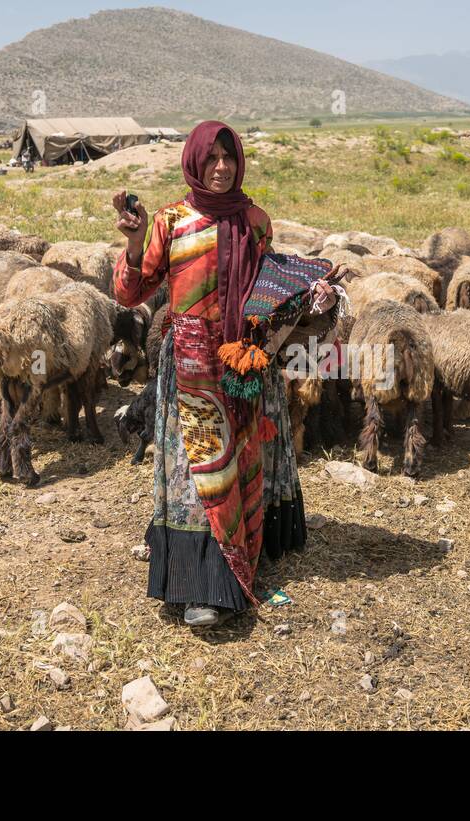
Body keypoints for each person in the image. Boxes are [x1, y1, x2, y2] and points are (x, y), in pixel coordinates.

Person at [112, 121, 317, 628]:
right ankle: (198, 582)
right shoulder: (170, 221)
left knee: (240, 460)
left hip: (241, 365)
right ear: (195, 162)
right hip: (188, 368)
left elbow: (271, 290)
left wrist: (315, 293)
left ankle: (232, 567)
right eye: (212, 159)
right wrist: (136, 243)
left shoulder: (255, 221)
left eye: (229, 158)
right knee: (195, 471)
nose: (221, 167)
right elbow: (130, 294)